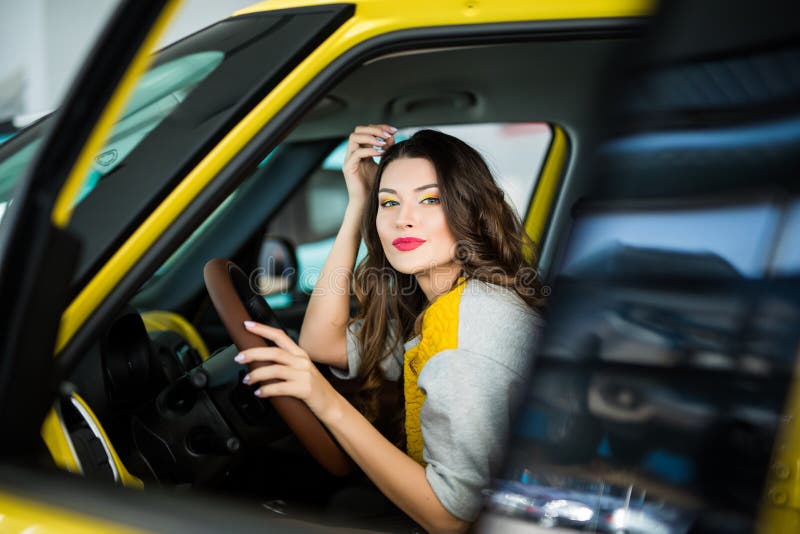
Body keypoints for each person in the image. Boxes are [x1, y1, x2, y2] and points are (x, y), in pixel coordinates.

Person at [235, 125, 545, 532]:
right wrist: (357, 205)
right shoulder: (443, 304)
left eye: (430, 200)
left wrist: (324, 400)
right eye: (388, 203)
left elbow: (449, 518)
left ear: (469, 209)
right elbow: (320, 343)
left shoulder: (467, 336)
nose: (404, 220)